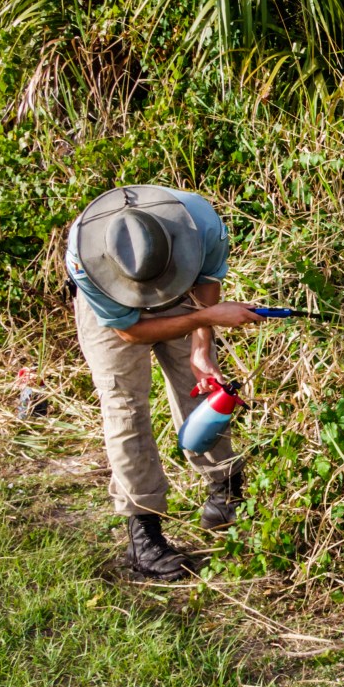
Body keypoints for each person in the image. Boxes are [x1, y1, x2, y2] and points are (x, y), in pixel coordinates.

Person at [68, 184, 268, 580]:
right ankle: (144, 533)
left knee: (204, 389)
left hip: (182, 290)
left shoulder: (201, 222)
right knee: (124, 409)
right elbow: (129, 333)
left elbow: (207, 282)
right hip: (112, 312)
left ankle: (225, 496)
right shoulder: (83, 258)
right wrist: (204, 320)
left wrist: (201, 349)